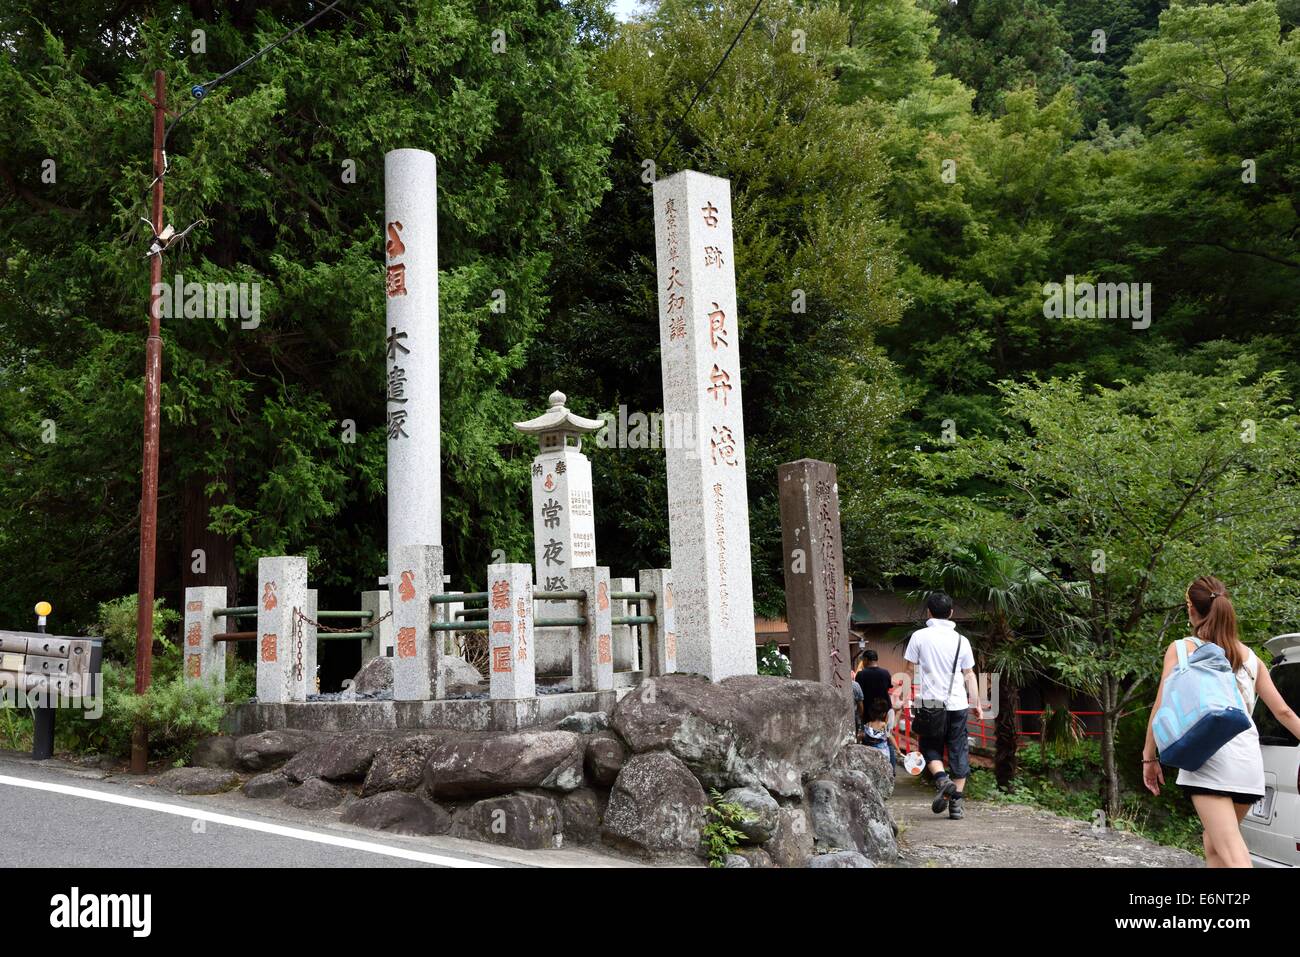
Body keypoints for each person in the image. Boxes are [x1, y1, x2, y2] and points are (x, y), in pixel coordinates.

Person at [1142, 576, 1300, 867]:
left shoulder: (1182, 649)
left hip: (1207, 759)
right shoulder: (1252, 659)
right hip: (1248, 765)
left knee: (1231, 851)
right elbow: (1285, 713)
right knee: (1213, 844)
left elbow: (1162, 705)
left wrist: (1149, 757)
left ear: (1192, 610)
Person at [905, 591, 980, 820]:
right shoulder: (962, 640)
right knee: (958, 750)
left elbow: (908, 670)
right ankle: (956, 804)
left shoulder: (919, 636)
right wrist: (976, 702)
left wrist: (903, 699)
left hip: (930, 702)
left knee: (929, 747)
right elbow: (969, 674)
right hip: (957, 702)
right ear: (951, 613)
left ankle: (941, 779)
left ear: (929, 612)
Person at [863, 696, 895, 774]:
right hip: (883, 753)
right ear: (884, 714)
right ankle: (892, 773)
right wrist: (897, 749)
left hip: (871, 753)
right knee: (885, 771)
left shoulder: (868, 724)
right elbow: (890, 736)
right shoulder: (884, 725)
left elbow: (863, 735)